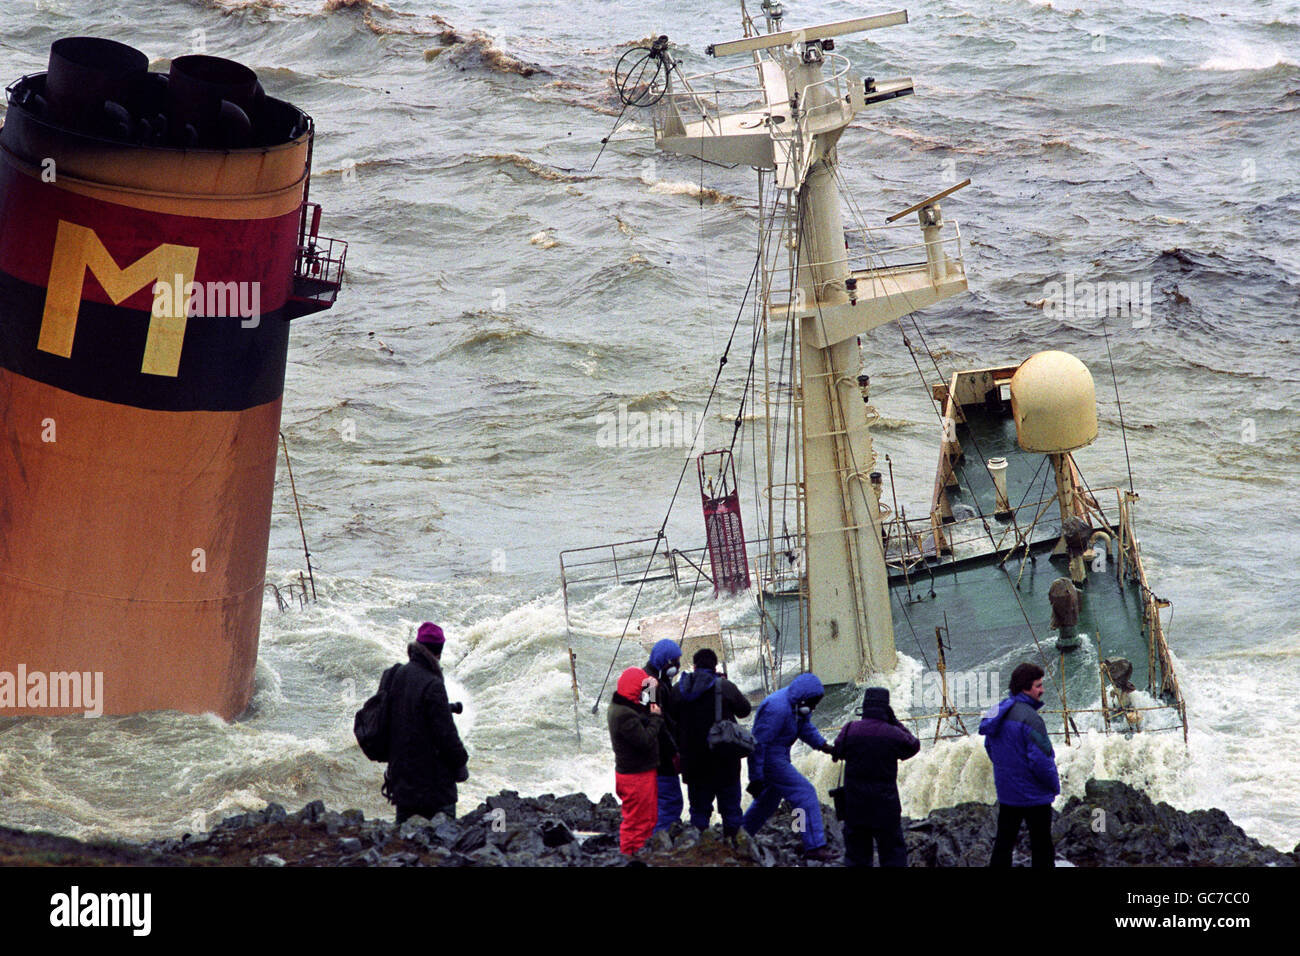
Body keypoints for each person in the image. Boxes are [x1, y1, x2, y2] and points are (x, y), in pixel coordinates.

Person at [741, 672, 837, 862]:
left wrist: (825, 747)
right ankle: (814, 846)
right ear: (803, 698)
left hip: (781, 755)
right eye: (813, 704)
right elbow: (758, 744)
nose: (814, 708)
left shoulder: (798, 704)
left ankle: (741, 835)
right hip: (771, 758)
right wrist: (756, 778)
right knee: (805, 793)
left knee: (768, 801)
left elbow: (805, 729)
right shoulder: (776, 708)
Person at [384, 622, 469, 824]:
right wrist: (461, 763)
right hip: (433, 788)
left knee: (404, 841)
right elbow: (447, 736)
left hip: (401, 782)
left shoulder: (397, 675)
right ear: (439, 652)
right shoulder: (433, 684)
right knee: (443, 841)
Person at [979, 662, 1060, 867]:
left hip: (1007, 792)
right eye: (1038, 686)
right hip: (1033, 795)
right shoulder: (1031, 719)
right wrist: (1054, 786)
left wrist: (1007, 771)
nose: (1042, 690)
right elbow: (1041, 761)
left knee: (1004, 842)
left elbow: (989, 746)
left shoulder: (997, 712)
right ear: (1025, 688)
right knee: (1041, 845)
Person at [830, 687, 919, 867]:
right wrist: (895, 722)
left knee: (856, 856)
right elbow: (913, 746)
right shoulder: (892, 733)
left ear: (864, 706)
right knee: (893, 853)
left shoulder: (849, 730)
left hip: (855, 805)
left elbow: (836, 752)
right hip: (885, 805)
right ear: (886, 708)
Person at [675, 648, 752, 837]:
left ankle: (699, 847)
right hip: (724, 759)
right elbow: (744, 710)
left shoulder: (679, 689)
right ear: (714, 666)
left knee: (699, 811)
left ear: (694, 666)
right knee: (731, 810)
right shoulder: (724, 686)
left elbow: (669, 716)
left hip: (693, 762)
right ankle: (734, 847)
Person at [607, 666, 663, 855]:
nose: (644, 693)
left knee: (646, 819)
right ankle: (631, 856)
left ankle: (635, 854)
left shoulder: (622, 705)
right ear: (634, 690)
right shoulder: (625, 716)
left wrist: (652, 689)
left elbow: (644, 705)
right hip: (636, 776)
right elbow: (645, 741)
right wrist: (656, 719)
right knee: (637, 824)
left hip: (635, 772)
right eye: (643, 687)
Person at [643, 639, 684, 833]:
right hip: (660, 756)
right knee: (670, 803)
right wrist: (673, 751)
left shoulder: (654, 680)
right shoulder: (652, 686)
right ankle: (660, 844)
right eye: (675, 661)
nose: (677, 666)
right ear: (665, 662)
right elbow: (657, 723)